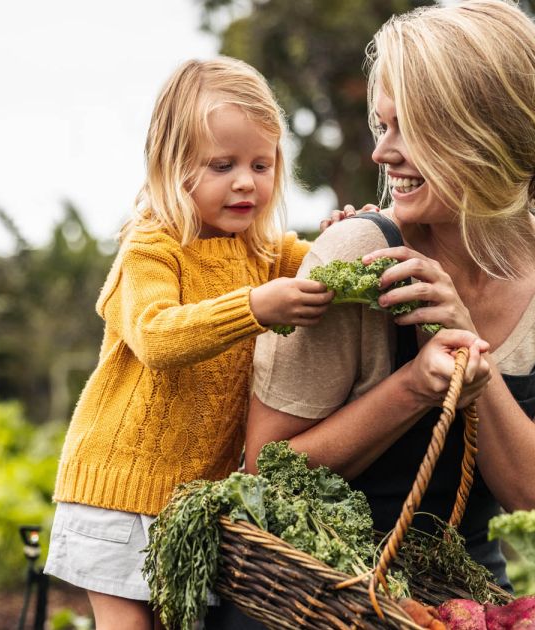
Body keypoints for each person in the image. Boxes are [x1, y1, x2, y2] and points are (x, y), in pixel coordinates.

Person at [244, 0, 535, 599]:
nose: (381, 152)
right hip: (306, 593)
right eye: (382, 125)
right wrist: (412, 389)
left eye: (408, 128)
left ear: (480, 134)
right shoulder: (356, 254)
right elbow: (263, 476)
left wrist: (470, 362)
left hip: (459, 596)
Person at [44, 57, 335, 629]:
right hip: (120, 491)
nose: (246, 181)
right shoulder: (152, 248)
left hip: (190, 507)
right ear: (173, 168)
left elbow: (330, 266)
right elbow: (156, 335)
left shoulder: (268, 252)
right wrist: (254, 307)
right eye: (222, 165)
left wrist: (352, 230)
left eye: (261, 163)